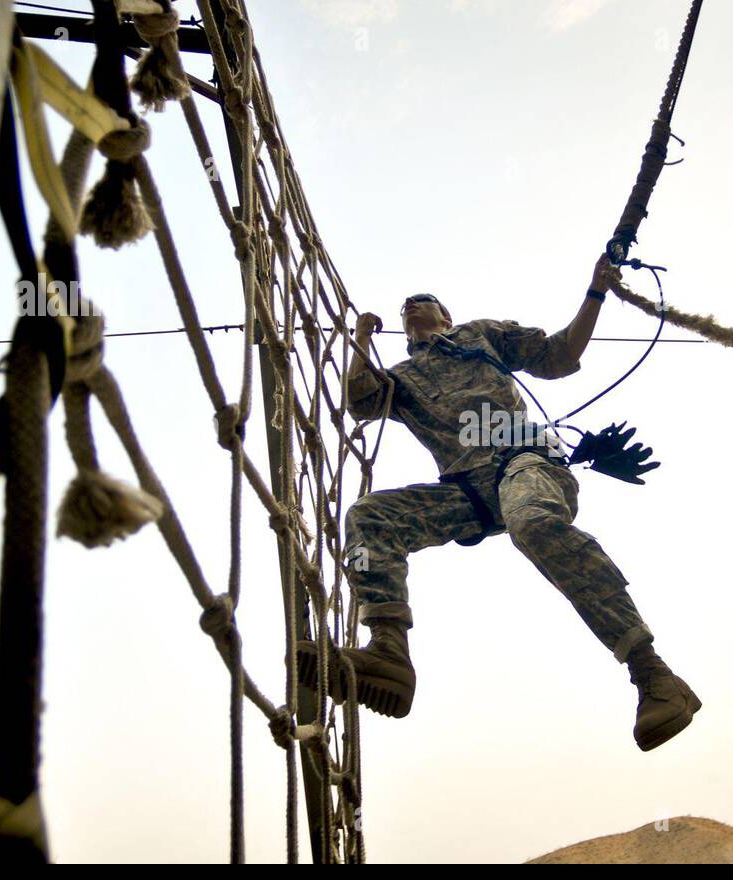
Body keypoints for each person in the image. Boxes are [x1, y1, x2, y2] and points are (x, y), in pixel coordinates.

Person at [296, 253, 700, 751]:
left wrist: (595, 292)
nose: (411, 305)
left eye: (423, 301)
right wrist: (358, 336)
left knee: (531, 523)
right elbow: (359, 401)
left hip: (524, 460)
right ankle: (388, 652)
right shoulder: (401, 378)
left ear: (445, 315)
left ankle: (654, 677)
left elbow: (559, 355)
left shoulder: (479, 336)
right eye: (406, 306)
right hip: (466, 490)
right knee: (369, 517)